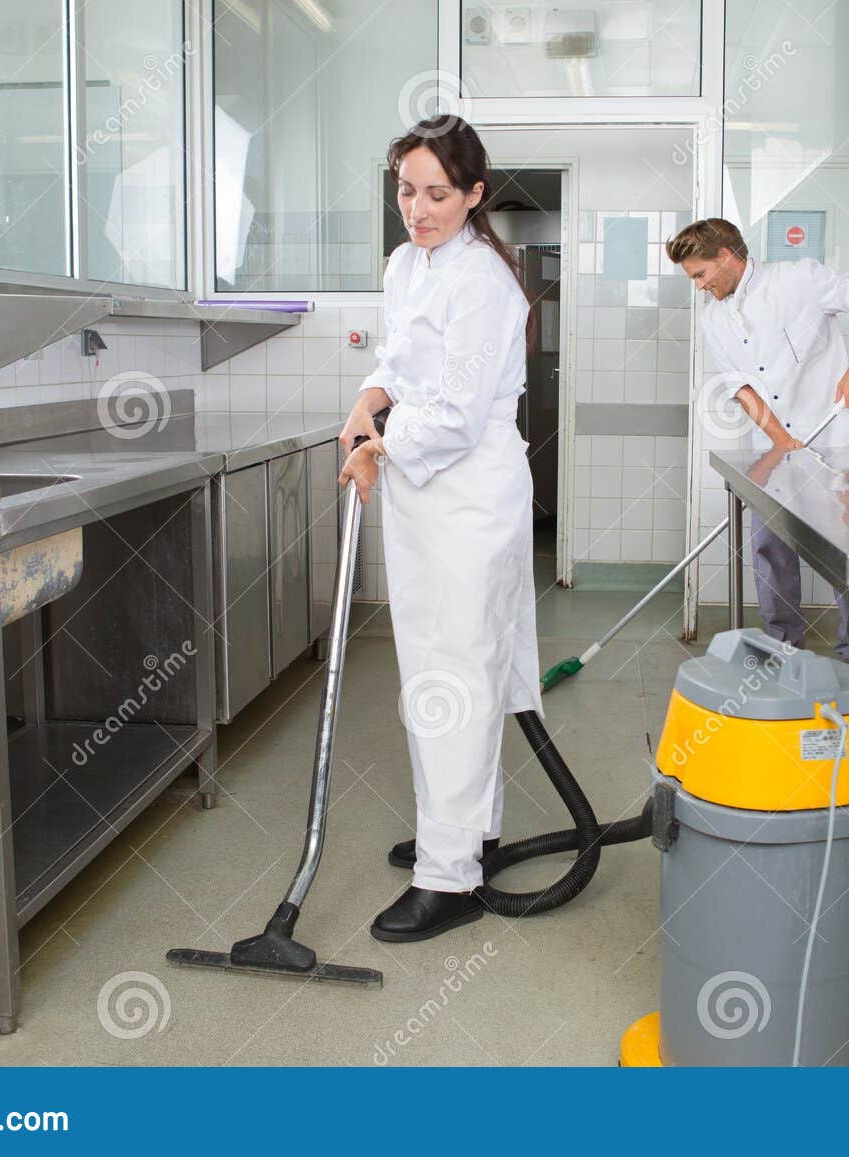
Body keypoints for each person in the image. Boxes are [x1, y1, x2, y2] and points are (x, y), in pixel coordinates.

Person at [339, 115, 539, 943]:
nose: (417, 209)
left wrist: (380, 447)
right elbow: (400, 361)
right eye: (405, 191)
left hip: (467, 497)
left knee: (454, 679)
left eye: (436, 195)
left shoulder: (485, 281)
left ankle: (449, 877)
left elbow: (454, 412)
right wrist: (367, 403)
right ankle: (470, 835)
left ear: (474, 196)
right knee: (441, 668)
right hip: (422, 499)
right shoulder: (405, 264)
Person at [666, 218, 849, 668]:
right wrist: (779, 439)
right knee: (771, 550)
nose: (699, 286)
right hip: (774, 450)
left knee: (847, 552)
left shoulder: (799, 279)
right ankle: (783, 654)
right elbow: (742, 387)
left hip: (837, 444)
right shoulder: (714, 318)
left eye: (700, 274)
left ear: (727, 257)